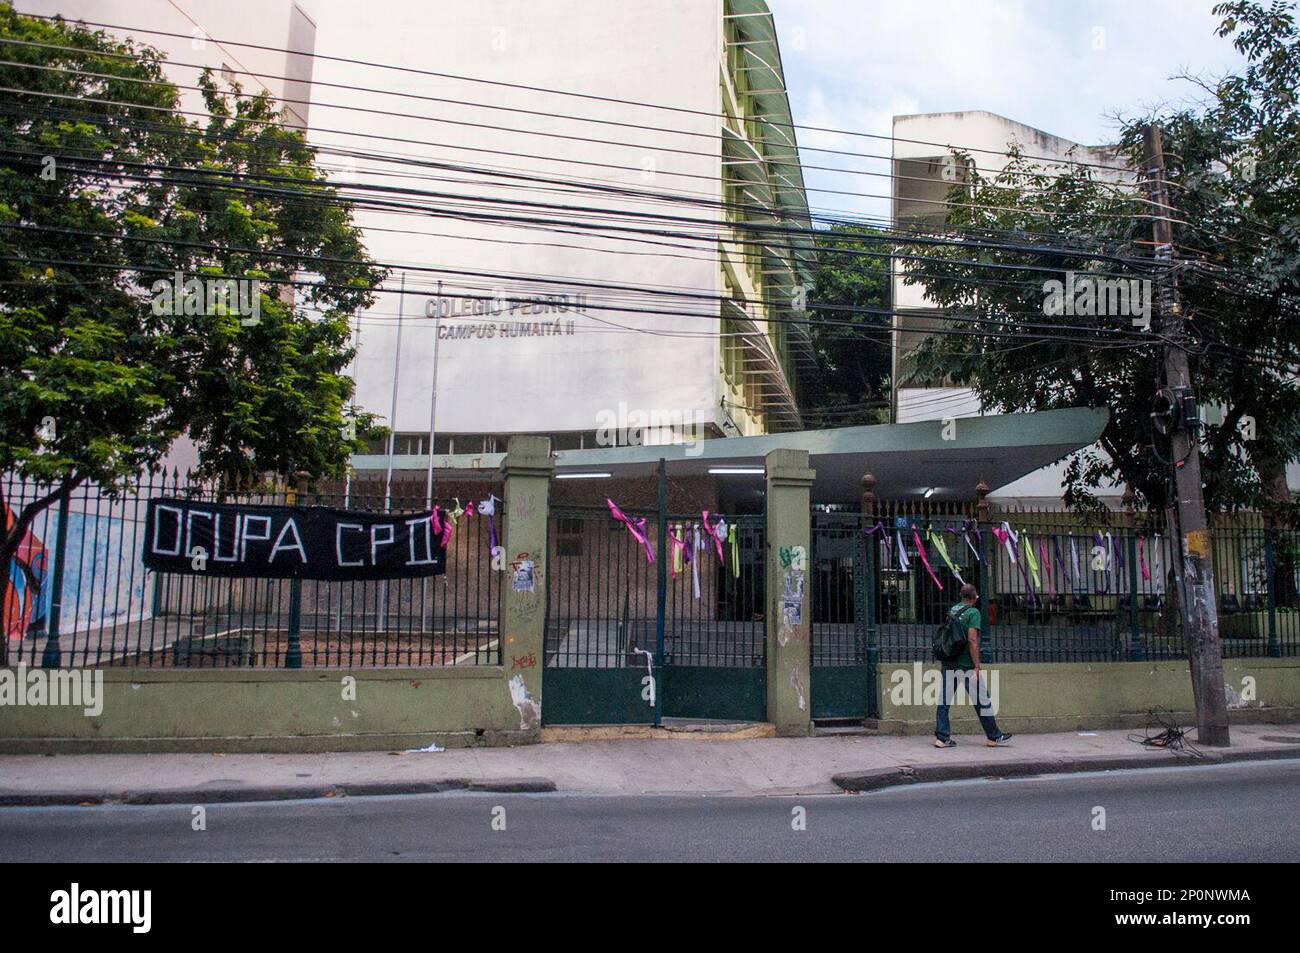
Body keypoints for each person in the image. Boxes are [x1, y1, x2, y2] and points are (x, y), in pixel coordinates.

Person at [934, 583, 1013, 748]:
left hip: (949, 662)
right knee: (982, 700)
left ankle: (942, 737)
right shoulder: (973, 613)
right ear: (975, 597)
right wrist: (977, 665)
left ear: (962, 596)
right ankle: (994, 736)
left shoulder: (953, 610)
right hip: (965, 664)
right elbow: (972, 640)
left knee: (944, 700)